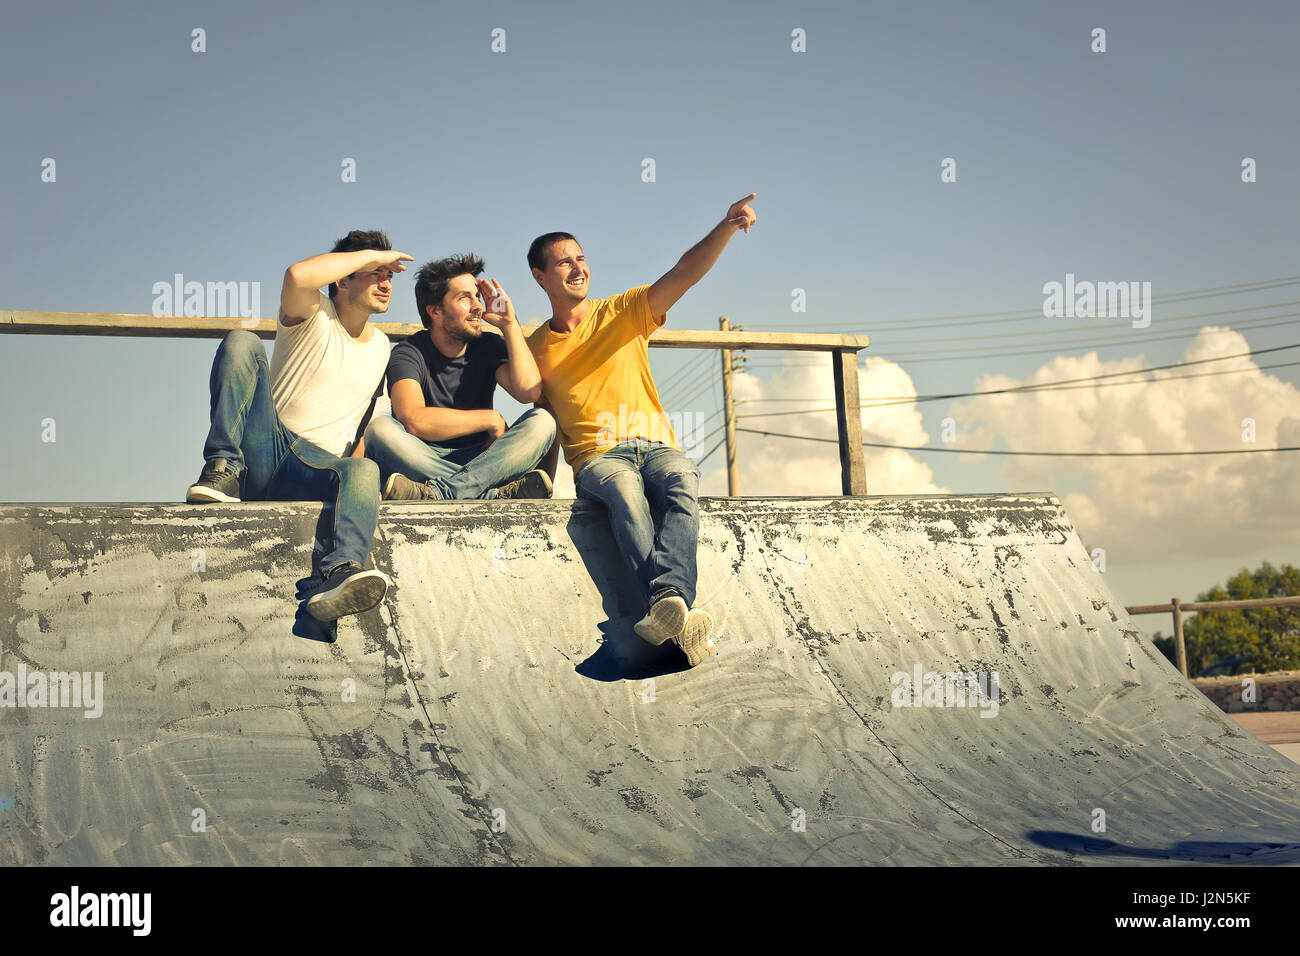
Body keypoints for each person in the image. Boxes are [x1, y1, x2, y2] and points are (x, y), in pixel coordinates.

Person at [526, 193, 758, 667]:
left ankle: (669, 604)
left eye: (581, 258)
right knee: (627, 490)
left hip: (655, 444)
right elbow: (542, 415)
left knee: (682, 479)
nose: (577, 268)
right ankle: (673, 602)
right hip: (598, 459)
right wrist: (542, 484)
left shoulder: (625, 309)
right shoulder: (535, 347)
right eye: (564, 262)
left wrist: (726, 226)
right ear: (540, 276)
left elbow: (684, 272)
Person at [185, 230, 412, 622]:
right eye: (375, 272)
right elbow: (296, 275)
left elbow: (357, 431)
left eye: (389, 275)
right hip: (266, 449)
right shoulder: (313, 312)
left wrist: (353, 493)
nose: (386, 282)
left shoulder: (382, 348)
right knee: (242, 340)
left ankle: (340, 573)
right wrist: (367, 254)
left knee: (363, 468)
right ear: (344, 279)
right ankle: (223, 468)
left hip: (312, 469)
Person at [365, 254, 555, 501]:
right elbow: (413, 419)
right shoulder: (408, 353)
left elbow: (528, 391)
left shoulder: (488, 345)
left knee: (543, 422)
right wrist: (491, 419)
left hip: (485, 458)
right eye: (464, 298)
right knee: (380, 431)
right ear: (434, 310)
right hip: (425, 456)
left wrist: (509, 325)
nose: (477, 305)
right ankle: (490, 494)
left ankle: (440, 492)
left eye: (476, 296)